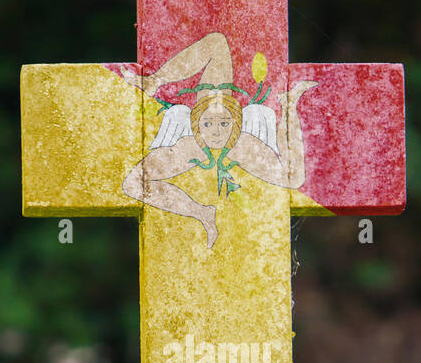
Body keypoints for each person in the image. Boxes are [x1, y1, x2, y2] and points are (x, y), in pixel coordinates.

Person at [120, 32, 316, 248]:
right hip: (198, 142)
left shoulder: (244, 145)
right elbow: (132, 183)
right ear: (195, 124)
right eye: (208, 125)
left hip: (231, 130)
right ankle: (151, 83)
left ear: (235, 124)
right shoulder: (187, 147)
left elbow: (293, 177)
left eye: (224, 124)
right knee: (133, 182)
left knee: (293, 179)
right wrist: (197, 210)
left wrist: (289, 110)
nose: (216, 132)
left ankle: (286, 103)